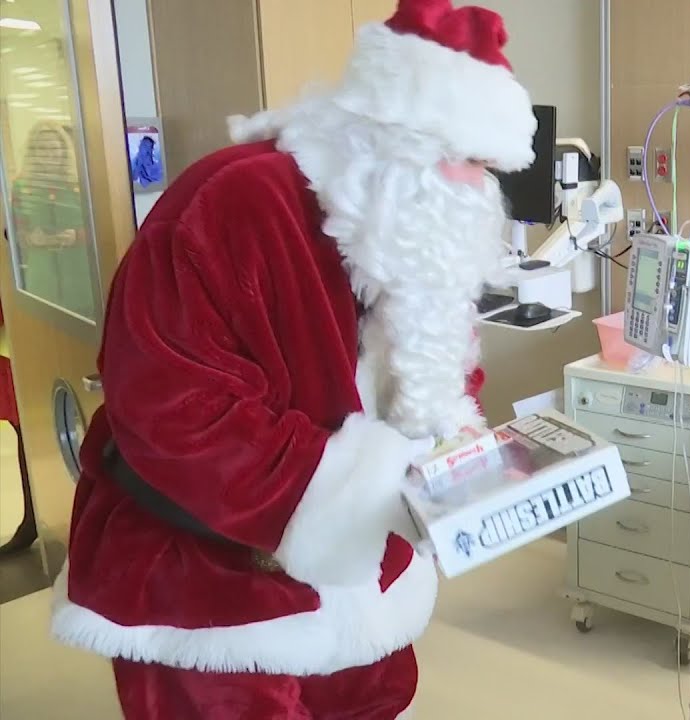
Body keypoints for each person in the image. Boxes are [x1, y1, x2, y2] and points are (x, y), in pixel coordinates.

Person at [48, 1, 536, 718]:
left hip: (361, 581)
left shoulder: (411, 226)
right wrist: (360, 489)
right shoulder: (233, 205)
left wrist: (459, 463)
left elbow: (438, 368)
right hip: (212, 592)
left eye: (487, 167)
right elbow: (173, 410)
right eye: (463, 158)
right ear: (389, 135)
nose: (474, 188)